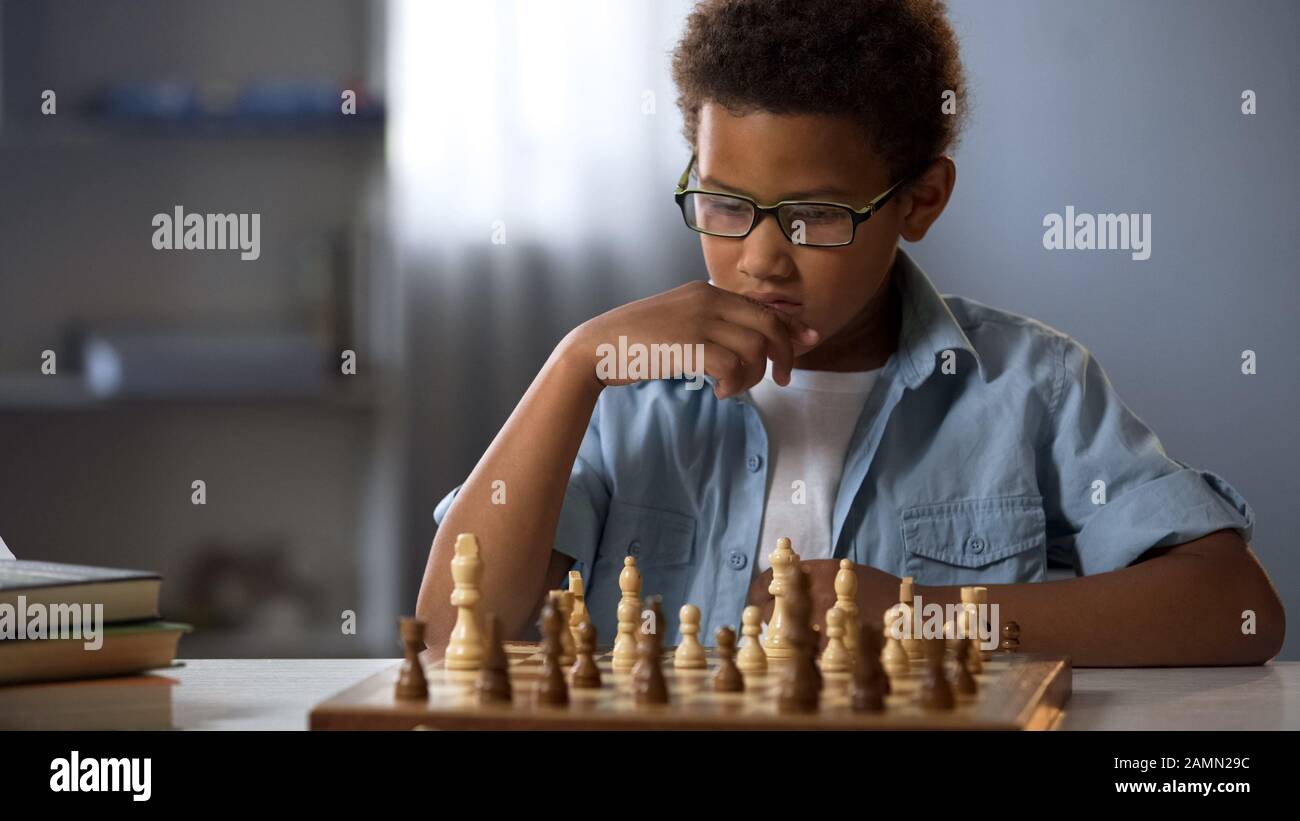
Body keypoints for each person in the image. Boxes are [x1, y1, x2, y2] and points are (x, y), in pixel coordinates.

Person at [418, 0, 1283, 666]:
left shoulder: (1031, 388)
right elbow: (445, 637)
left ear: (920, 200)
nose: (760, 260)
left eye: (816, 216)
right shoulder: (626, 396)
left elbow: (1236, 608)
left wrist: (923, 616)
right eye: (723, 205)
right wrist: (574, 364)